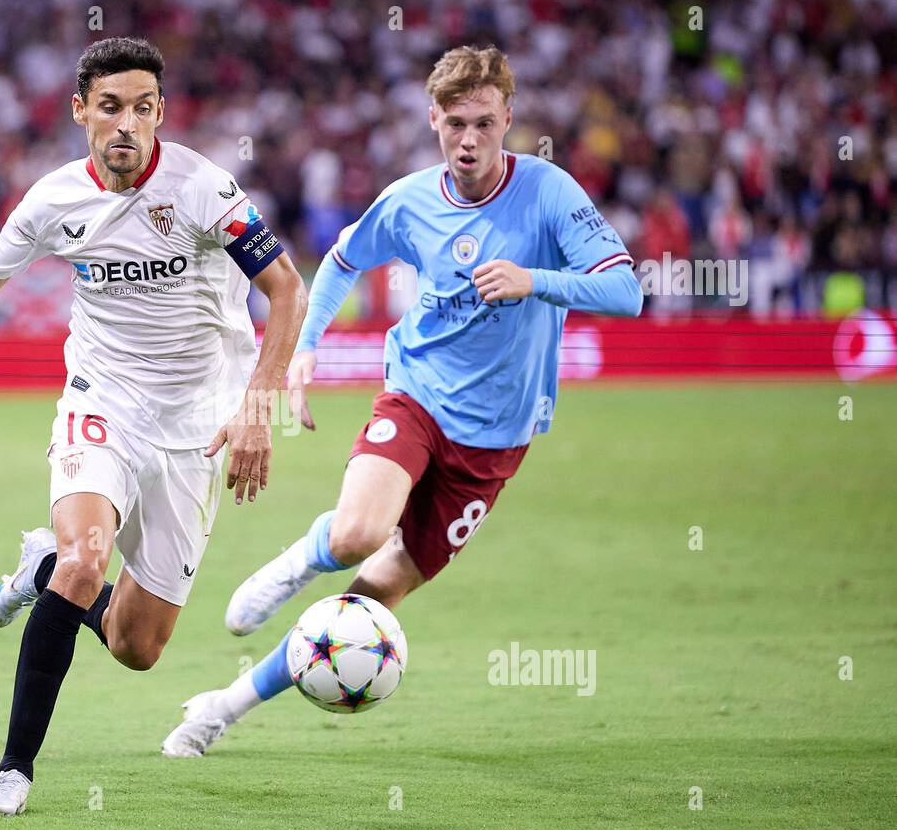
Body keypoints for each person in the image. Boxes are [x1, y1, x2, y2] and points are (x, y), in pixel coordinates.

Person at [0, 37, 307, 813]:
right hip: (103, 401)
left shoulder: (206, 190)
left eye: (143, 108)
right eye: (111, 106)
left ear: (160, 113)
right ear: (81, 109)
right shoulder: (53, 200)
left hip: (196, 421)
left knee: (136, 646)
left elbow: (285, 289)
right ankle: (12, 771)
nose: (128, 124)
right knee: (86, 563)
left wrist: (257, 406)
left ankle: (40, 565)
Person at [161, 44, 641, 758]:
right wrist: (306, 349)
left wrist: (535, 279)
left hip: (496, 441)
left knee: (367, 605)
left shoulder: (550, 193)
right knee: (356, 534)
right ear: (433, 121)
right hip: (418, 395)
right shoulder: (409, 199)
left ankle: (220, 710)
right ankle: (301, 558)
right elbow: (343, 261)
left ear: (508, 118)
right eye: (454, 124)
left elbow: (626, 290)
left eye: (483, 122)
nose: (469, 139)